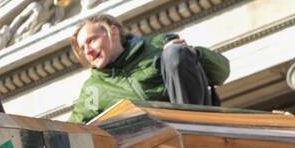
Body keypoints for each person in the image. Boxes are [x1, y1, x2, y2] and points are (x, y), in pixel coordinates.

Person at [68, 15, 230, 124]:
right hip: (151, 147)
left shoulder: (157, 45)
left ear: (113, 32)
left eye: (92, 40)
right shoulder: (94, 89)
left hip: (196, 120)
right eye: (83, 47)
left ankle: (192, 128)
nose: (87, 51)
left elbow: (222, 72)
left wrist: (194, 54)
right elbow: (76, 128)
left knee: (174, 53)